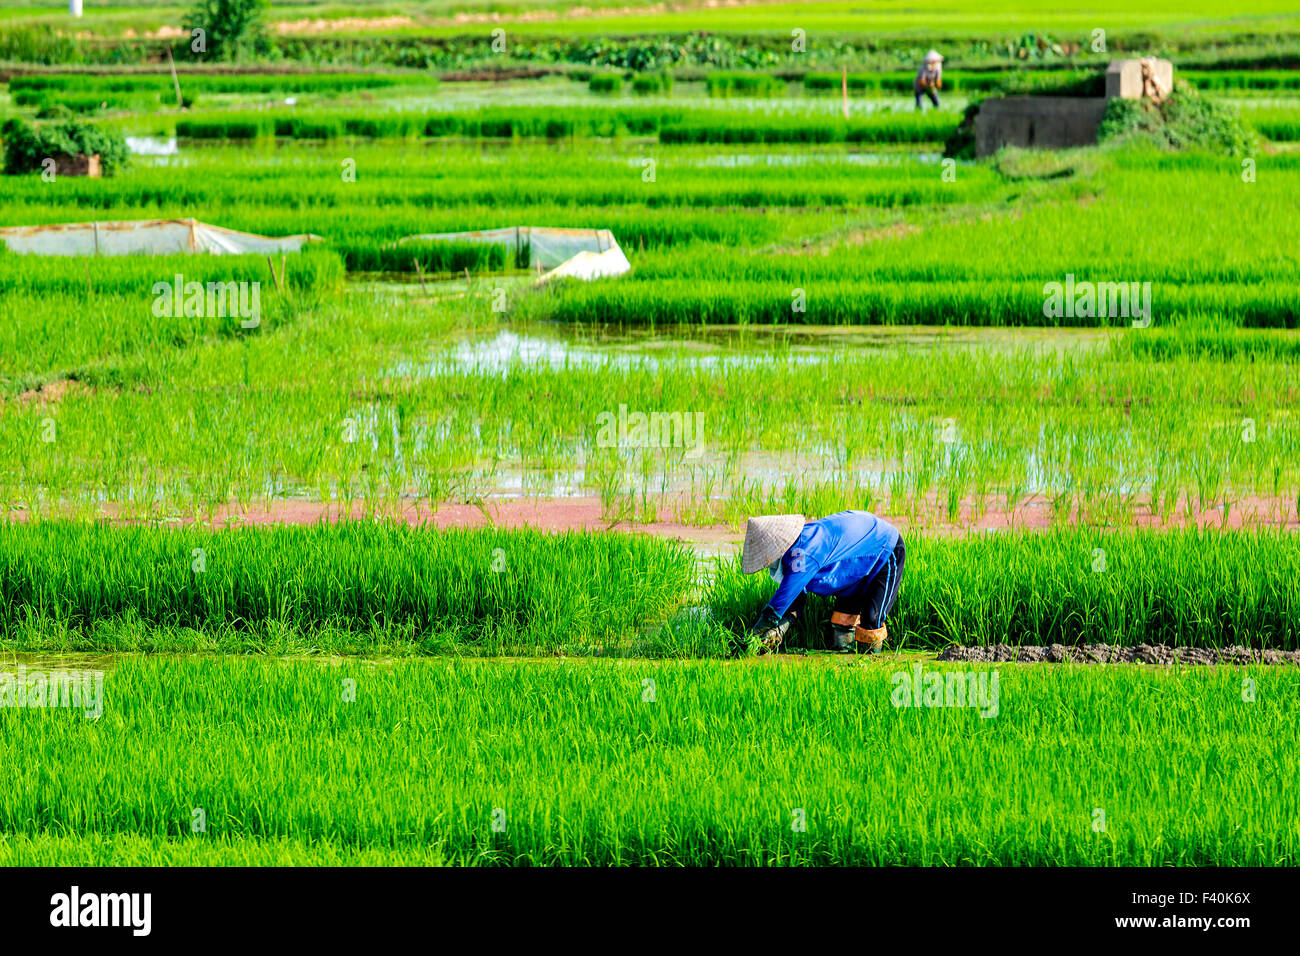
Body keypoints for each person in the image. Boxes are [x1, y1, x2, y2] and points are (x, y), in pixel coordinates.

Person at [742, 511, 906, 655]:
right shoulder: (795, 554)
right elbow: (796, 599)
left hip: (885, 547)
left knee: (871, 621)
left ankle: (872, 667)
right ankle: (846, 673)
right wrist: (780, 629)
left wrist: (752, 636)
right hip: (854, 564)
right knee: (842, 624)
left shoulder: (803, 554)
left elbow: (777, 607)